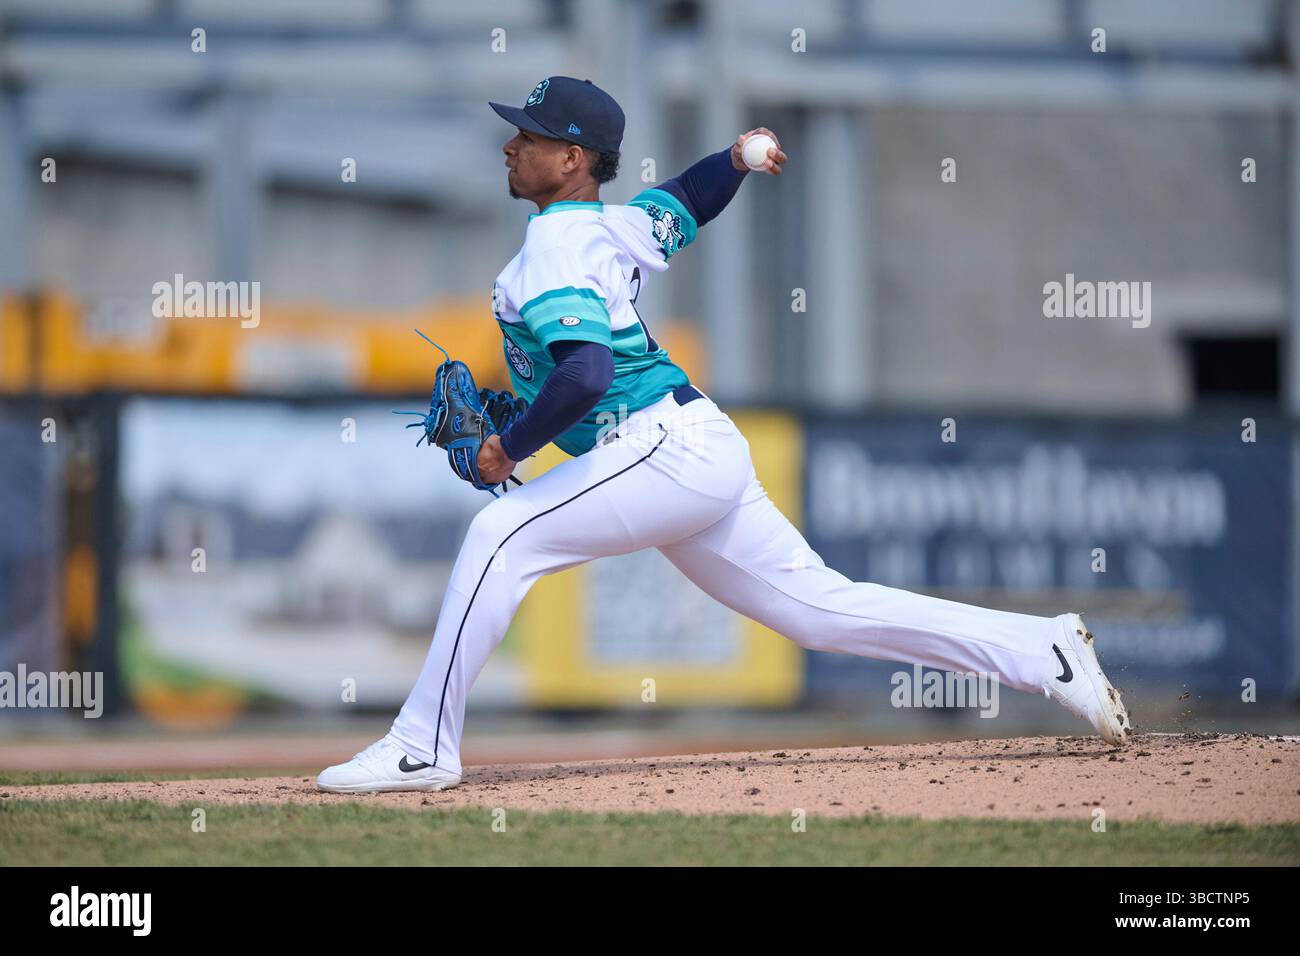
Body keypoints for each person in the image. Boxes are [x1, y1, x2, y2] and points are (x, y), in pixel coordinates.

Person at [317, 77, 1131, 793]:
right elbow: (685, 201)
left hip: (661, 451)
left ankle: (421, 747)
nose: (510, 145)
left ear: (571, 159)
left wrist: (507, 448)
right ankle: (1042, 649)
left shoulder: (556, 247)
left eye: (528, 136)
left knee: (499, 534)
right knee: (821, 612)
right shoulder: (610, 229)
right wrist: (739, 156)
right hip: (691, 448)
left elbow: (586, 376)